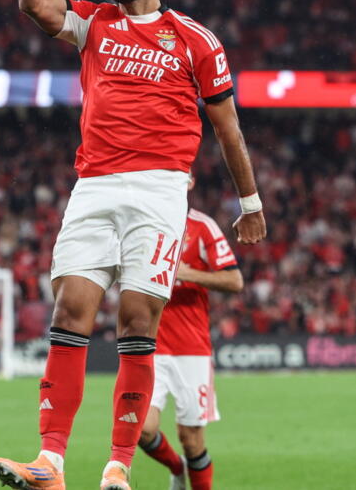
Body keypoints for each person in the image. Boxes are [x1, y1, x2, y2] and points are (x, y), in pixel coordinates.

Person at [0, 0, 267, 490]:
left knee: (137, 318)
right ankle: (51, 462)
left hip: (158, 190)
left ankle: (118, 466)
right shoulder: (94, 24)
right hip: (92, 186)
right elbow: (33, 2)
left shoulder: (195, 40)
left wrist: (251, 204)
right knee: (70, 310)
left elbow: (227, 126)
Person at [138, 178, 243, 490]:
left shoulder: (202, 226)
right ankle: (176, 467)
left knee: (192, 439)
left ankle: (189, 469)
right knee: (142, 428)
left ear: (189, 182)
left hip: (191, 349)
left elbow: (235, 281)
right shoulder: (143, 225)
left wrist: (186, 274)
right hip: (150, 345)